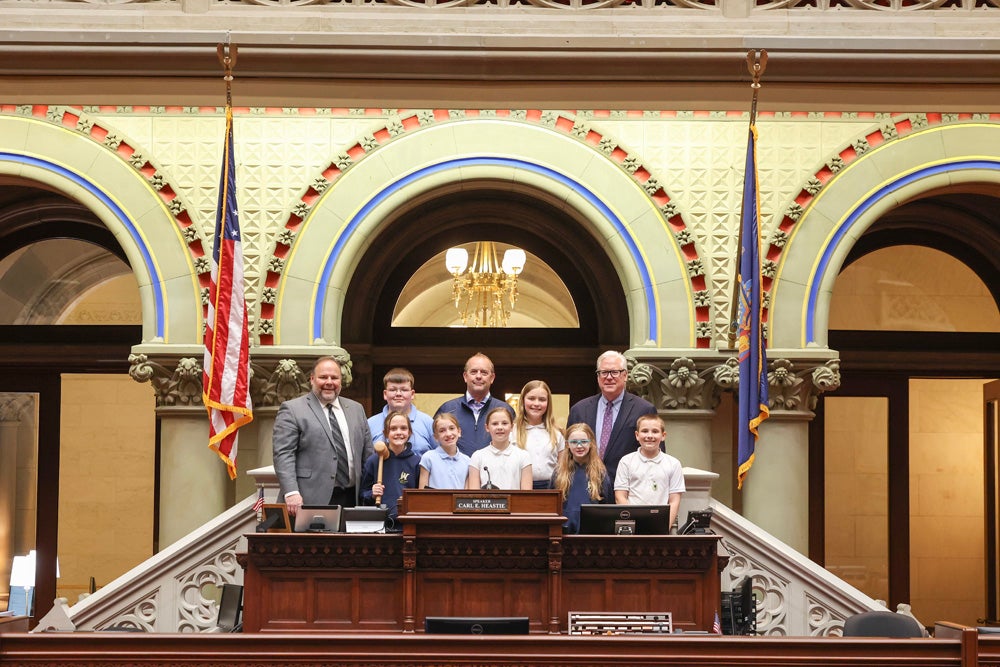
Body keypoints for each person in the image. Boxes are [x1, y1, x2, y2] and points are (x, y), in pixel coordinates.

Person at [272, 356, 373, 515]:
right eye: (323, 377)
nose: (329, 382)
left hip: (353, 499)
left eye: (334, 377)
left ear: (341, 380)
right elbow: (284, 455)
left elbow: (368, 455)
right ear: (312, 379)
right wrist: (291, 492)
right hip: (308, 499)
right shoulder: (293, 409)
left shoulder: (356, 409)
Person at [566, 350, 656, 485]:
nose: (609, 377)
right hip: (585, 487)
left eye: (614, 372)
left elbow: (654, 454)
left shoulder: (643, 410)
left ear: (625, 375)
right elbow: (568, 455)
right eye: (604, 372)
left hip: (627, 489)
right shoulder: (579, 410)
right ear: (598, 376)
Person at [613, 414, 685, 529]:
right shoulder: (626, 461)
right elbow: (620, 496)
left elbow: (674, 501)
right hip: (632, 526)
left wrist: (665, 527)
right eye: (645, 431)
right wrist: (632, 524)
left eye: (655, 431)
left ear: (663, 436)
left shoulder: (673, 463)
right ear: (637, 435)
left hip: (660, 524)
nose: (649, 436)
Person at [436, 352, 515, 457]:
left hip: (494, 472)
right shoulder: (448, 409)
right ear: (465, 376)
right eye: (473, 372)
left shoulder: (505, 410)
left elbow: (514, 446)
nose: (478, 376)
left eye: (484, 372)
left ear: (492, 378)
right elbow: (436, 444)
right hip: (457, 473)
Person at [551, 423, 611, 534]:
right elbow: (552, 504)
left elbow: (606, 505)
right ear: (567, 444)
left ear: (591, 443)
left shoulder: (600, 472)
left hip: (592, 530)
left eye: (583, 441)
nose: (579, 446)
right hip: (565, 530)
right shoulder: (559, 472)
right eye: (574, 442)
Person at [360, 410, 420, 519]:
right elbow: (362, 493)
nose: (398, 432)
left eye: (403, 428)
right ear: (386, 433)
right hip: (379, 520)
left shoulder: (416, 462)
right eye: (393, 429)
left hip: (406, 521)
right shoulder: (374, 461)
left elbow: (420, 496)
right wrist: (371, 494)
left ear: (409, 432)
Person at [367, 367, 436, 457]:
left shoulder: (428, 422)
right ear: (385, 394)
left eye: (404, 390)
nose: (398, 394)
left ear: (412, 394)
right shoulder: (370, 424)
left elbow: (440, 456)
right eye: (393, 390)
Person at [513, 380, 565, 489]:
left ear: (548, 403)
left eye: (542, 400)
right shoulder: (512, 432)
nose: (536, 403)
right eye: (531, 398)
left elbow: (562, 469)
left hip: (550, 487)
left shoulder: (557, 433)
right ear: (523, 401)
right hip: (518, 487)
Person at [467, 407, 532, 490]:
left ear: (512, 427)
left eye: (504, 423)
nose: (500, 427)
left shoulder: (523, 456)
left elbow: (526, 495)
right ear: (487, 427)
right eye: (495, 424)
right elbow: (473, 494)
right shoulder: (477, 456)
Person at [419, 412, 471, 489]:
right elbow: (422, 492)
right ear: (436, 437)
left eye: (451, 428)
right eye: (442, 431)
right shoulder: (428, 458)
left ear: (459, 432)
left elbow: (467, 494)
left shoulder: (467, 461)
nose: (448, 434)